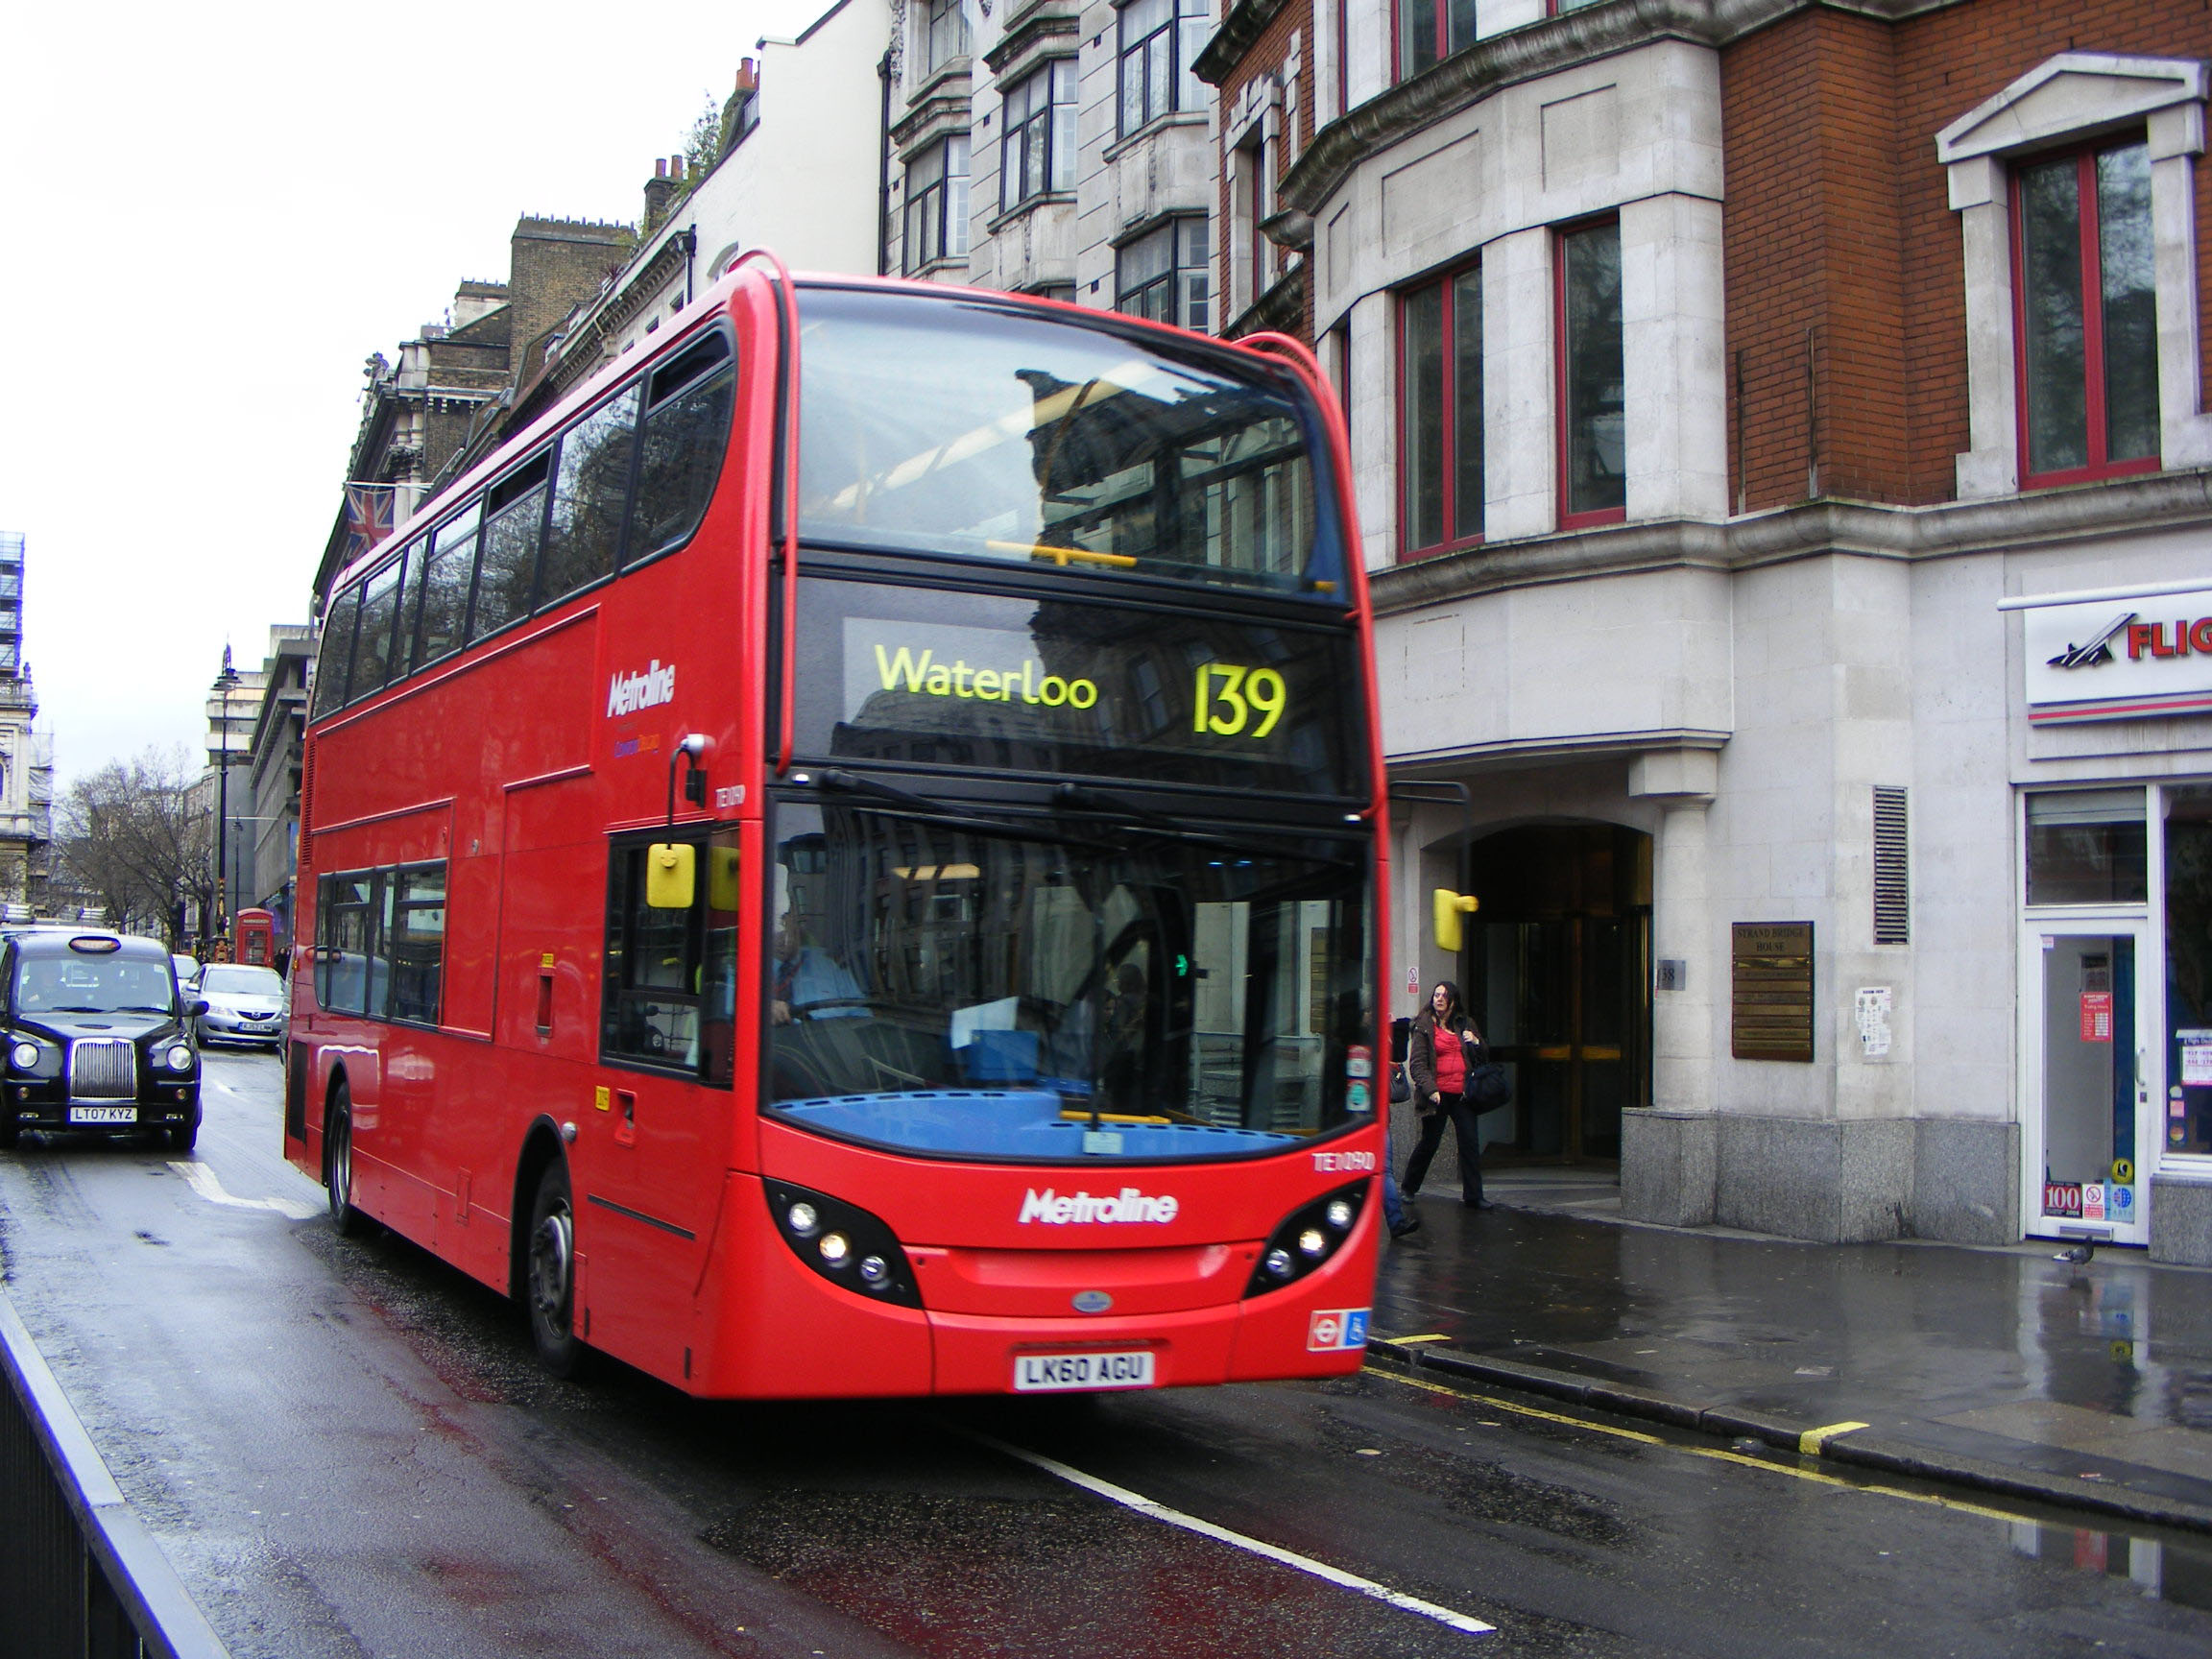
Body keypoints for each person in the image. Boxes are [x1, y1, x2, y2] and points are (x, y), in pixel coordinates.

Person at [1402, 979, 1489, 1209]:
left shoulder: (1465, 1023)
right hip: (1437, 1095)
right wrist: (1431, 1090)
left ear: (1453, 1001)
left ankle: (1474, 1196)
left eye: (1443, 996)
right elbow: (1418, 1064)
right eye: (1436, 995)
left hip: (1462, 1095)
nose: (1438, 999)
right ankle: (1408, 1188)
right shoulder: (1424, 1025)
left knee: (1470, 1143)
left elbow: (1483, 1057)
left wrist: (1477, 1042)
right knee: (1429, 1143)